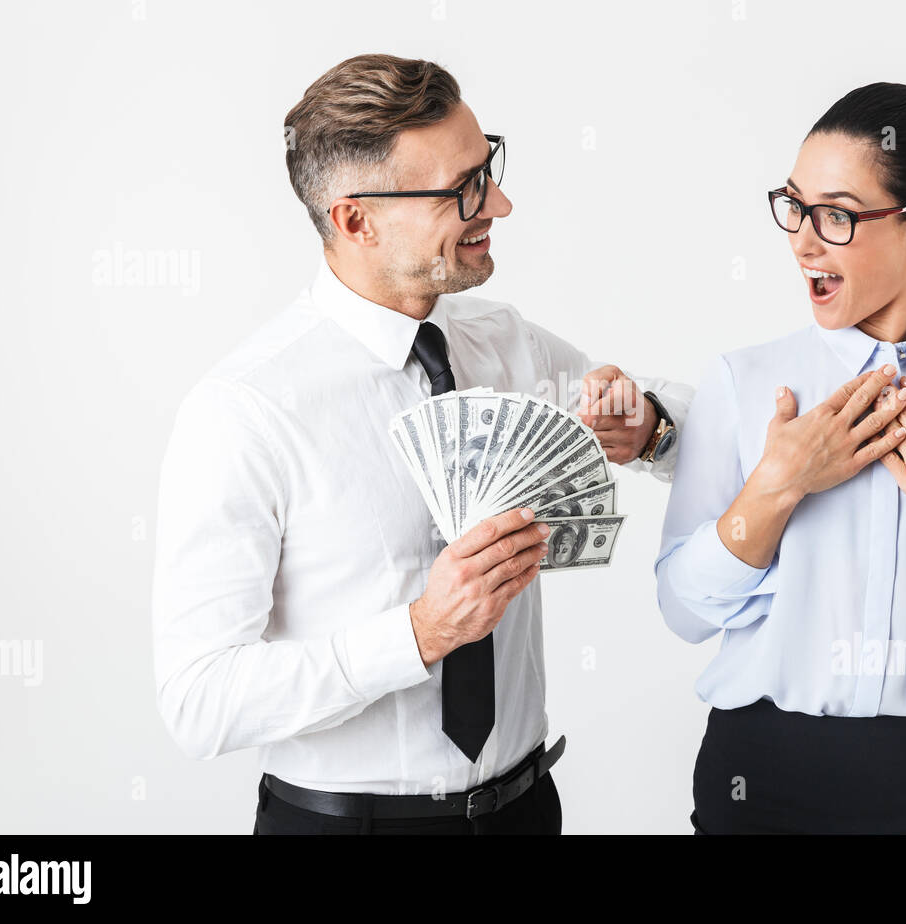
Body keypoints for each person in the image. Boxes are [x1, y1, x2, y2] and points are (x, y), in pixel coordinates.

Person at [151, 54, 692, 835]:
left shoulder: (504, 343)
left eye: (489, 169)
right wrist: (418, 635)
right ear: (355, 219)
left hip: (526, 812)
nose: (499, 203)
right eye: (462, 189)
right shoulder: (245, 412)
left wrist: (647, 428)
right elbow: (198, 702)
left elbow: (689, 430)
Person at [655, 82, 906, 835]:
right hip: (760, 772)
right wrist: (774, 490)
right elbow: (682, 611)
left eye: (837, 215)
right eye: (794, 206)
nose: (803, 241)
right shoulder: (742, 384)